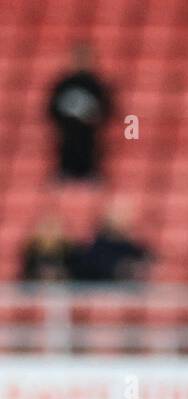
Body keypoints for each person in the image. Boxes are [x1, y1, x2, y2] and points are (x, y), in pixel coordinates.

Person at [47, 40, 113, 181]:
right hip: (66, 145)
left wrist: (92, 117)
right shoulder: (64, 84)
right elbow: (51, 109)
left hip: (90, 146)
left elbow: (107, 110)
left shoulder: (97, 85)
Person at [19, 213, 76, 282]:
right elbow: (27, 274)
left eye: (53, 228)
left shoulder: (68, 249)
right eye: (46, 228)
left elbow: (72, 274)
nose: (50, 232)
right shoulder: (31, 249)